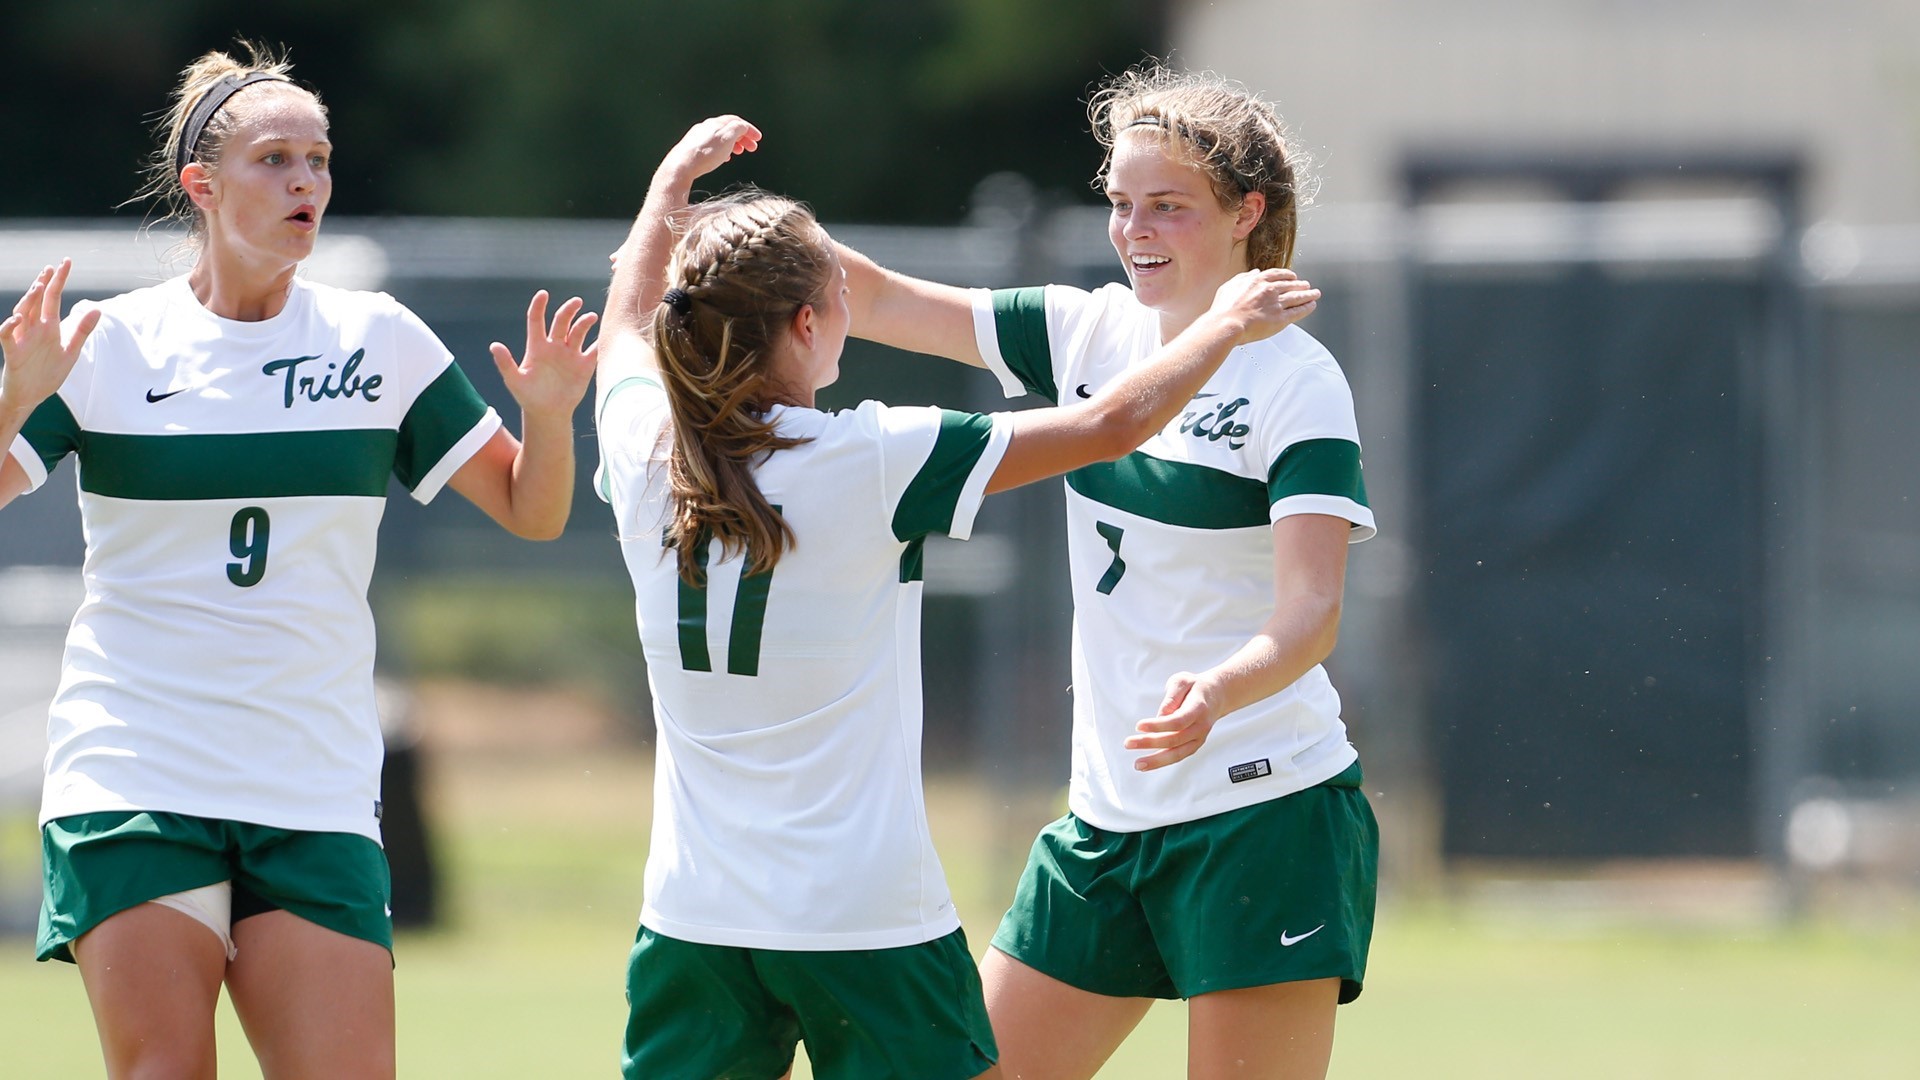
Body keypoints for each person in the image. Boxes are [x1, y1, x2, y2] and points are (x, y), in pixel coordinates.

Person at [595, 116, 1319, 1080]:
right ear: (807, 326)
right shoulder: (874, 457)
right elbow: (1110, 424)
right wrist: (1227, 323)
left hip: (690, 917)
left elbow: (623, 327)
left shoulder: (644, 447)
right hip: (864, 915)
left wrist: (660, 201)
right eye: (835, 296)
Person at [0, 44, 597, 1078]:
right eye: (274, 159)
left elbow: (531, 513)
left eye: (317, 159)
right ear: (202, 185)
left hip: (310, 780)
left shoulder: (381, 342)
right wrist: (15, 397)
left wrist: (548, 420)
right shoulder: (108, 345)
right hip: (138, 768)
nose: (306, 183)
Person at [835, 62, 1379, 1079]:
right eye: (1122, 205)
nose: (1135, 230)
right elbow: (872, 297)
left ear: (1245, 213)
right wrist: (702, 227)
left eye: (1168, 208)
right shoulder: (1089, 330)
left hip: (1263, 817)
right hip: (1109, 820)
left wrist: (1218, 691)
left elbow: (1312, 613)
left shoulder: (1299, 383)